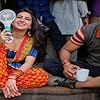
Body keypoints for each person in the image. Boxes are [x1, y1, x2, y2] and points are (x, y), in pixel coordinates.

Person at [0, 8, 48, 98]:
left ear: (30, 26)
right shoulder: (1, 34)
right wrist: (0, 41)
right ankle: (3, 84)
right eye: (19, 17)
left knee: (42, 76)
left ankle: (7, 83)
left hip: (12, 71)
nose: (22, 20)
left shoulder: (32, 42)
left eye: (27, 19)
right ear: (12, 21)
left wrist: (12, 77)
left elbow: (28, 64)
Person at [43, 22, 100, 89]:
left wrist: (76, 85)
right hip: (93, 67)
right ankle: (94, 82)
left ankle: (81, 83)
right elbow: (66, 49)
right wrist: (67, 65)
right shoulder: (87, 30)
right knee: (50, 63)